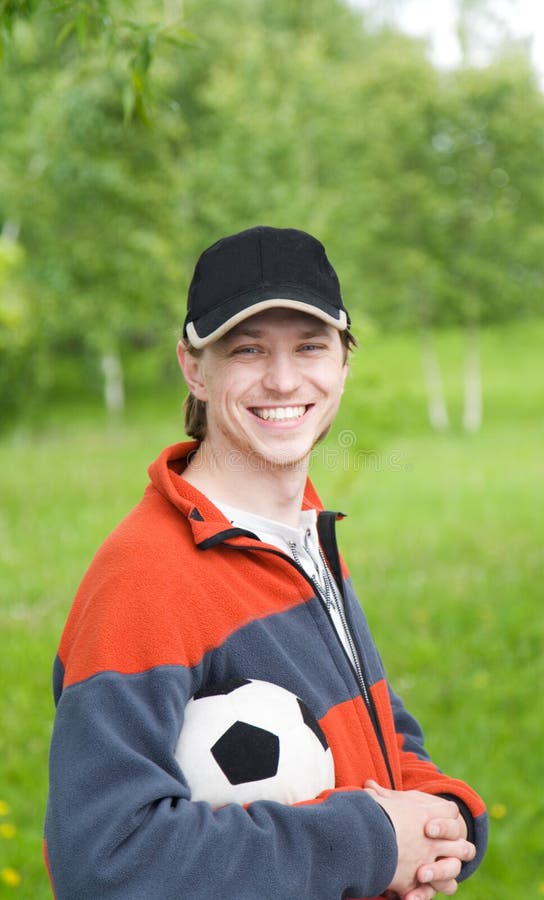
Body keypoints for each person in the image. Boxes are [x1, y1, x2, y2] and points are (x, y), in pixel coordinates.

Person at [45, 226, 488, 899]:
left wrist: (442, 817)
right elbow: (103, 859)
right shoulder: (146, 577)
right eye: (248, 350)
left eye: (309, 347)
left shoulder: (299, 534)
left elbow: (368, 722)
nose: (283, 379)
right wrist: (372, 842)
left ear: (344, 362)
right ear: (195, 368)